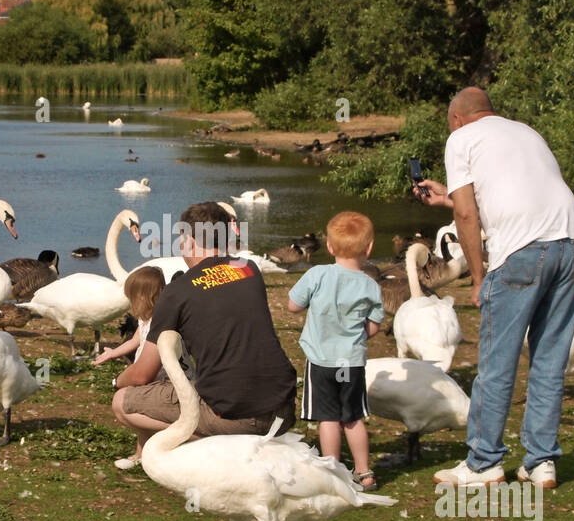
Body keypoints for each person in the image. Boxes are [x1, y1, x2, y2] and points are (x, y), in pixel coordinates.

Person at [415, 86, 574, 490]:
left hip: (523, 254)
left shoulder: (461, 138)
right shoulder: (525, 131)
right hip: (572, 245)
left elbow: (467, 214)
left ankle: (484, 461)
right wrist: (448, 199)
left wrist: (478, 277)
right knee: (548, 359)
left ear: (456, 119)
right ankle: (542, 461)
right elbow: (508, 195)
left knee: (497, 361)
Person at [112, 201, 297, 456]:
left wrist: (118, 381)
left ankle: (221, 442)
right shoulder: (248, 269)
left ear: (188, 239)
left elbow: (142, 374)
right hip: (282, 411)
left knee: (122, 403)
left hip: (237, 417)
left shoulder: (176, 292)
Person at [286, 211, 384, 489]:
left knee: (328, 418)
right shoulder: (370, 285)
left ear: (329, 246)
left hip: (321, 362)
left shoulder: (317, 274)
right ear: (369, 248)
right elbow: (374, 327)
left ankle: (332, 471)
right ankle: (364, 472)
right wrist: (353, 337)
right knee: (352, 417)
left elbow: (293, 305)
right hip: (349, 362)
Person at [94, 265, 169, 469]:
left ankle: (144, 455)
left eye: (132, 297)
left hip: (158, 375)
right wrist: (112, 353)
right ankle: (143, 454)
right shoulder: (144, 320)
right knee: (143, 415)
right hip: (144, 371)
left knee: (143, 413)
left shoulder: (161, 322)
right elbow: (135, 342)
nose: (129, 303)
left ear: (144, 298)